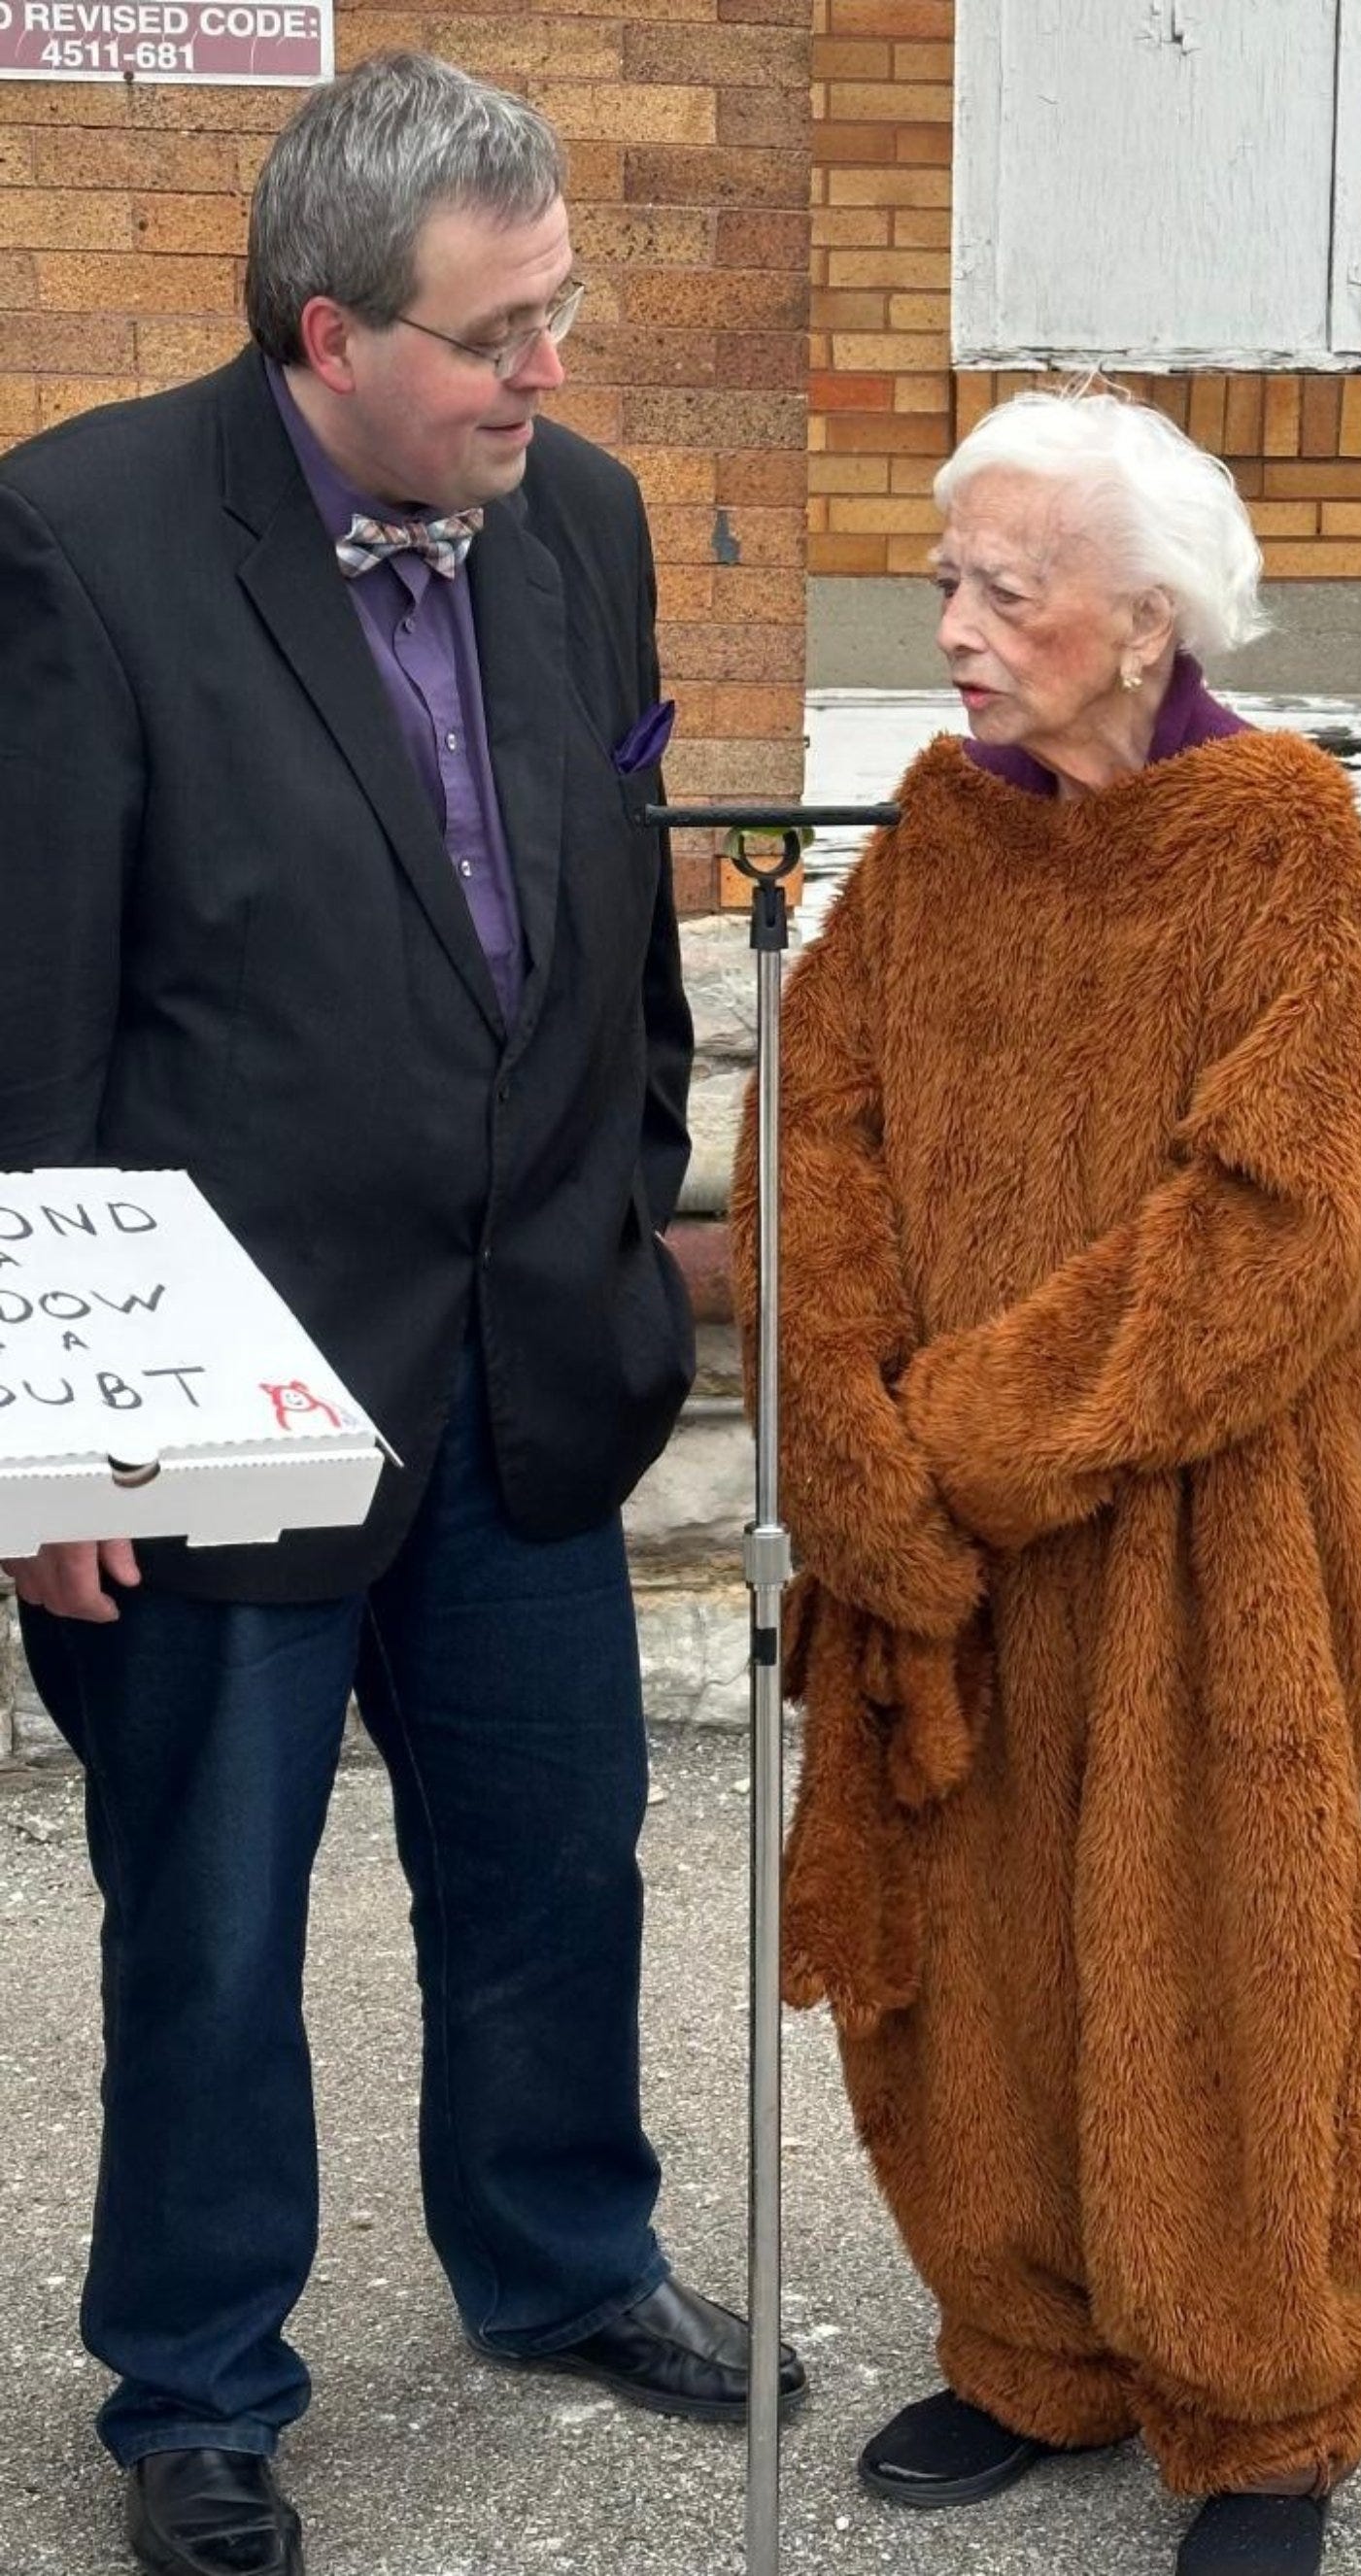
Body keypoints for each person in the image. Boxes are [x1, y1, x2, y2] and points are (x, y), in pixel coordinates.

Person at [0, 51, 802, 2576]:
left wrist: (628, 1205)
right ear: (328, 333)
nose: (550, 366)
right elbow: (29, 1019)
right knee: (214, 1911)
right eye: (497, 330)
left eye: (561, 307)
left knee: (557, 1860)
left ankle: (563, 2258)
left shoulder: (579, 513)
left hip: (525, 1355)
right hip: (216, 1386)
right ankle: (197, 2383)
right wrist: (52, 1431)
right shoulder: (83, 538)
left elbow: (618, 889)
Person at [732, 389, 1361, 2576]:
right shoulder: (944, 829)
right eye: (947, 581)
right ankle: (1029, 2345)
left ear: (1143, 625)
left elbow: (1288, 1221)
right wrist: (849, 1435)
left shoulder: (1277, 839)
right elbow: (812, 1125)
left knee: (1223, 1955)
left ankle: (1261, 2410)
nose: (948, 626)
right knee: (972, 1953)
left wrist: (964, 1439)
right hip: (948, 1549)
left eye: (1000, 591)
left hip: (1199, 1543)